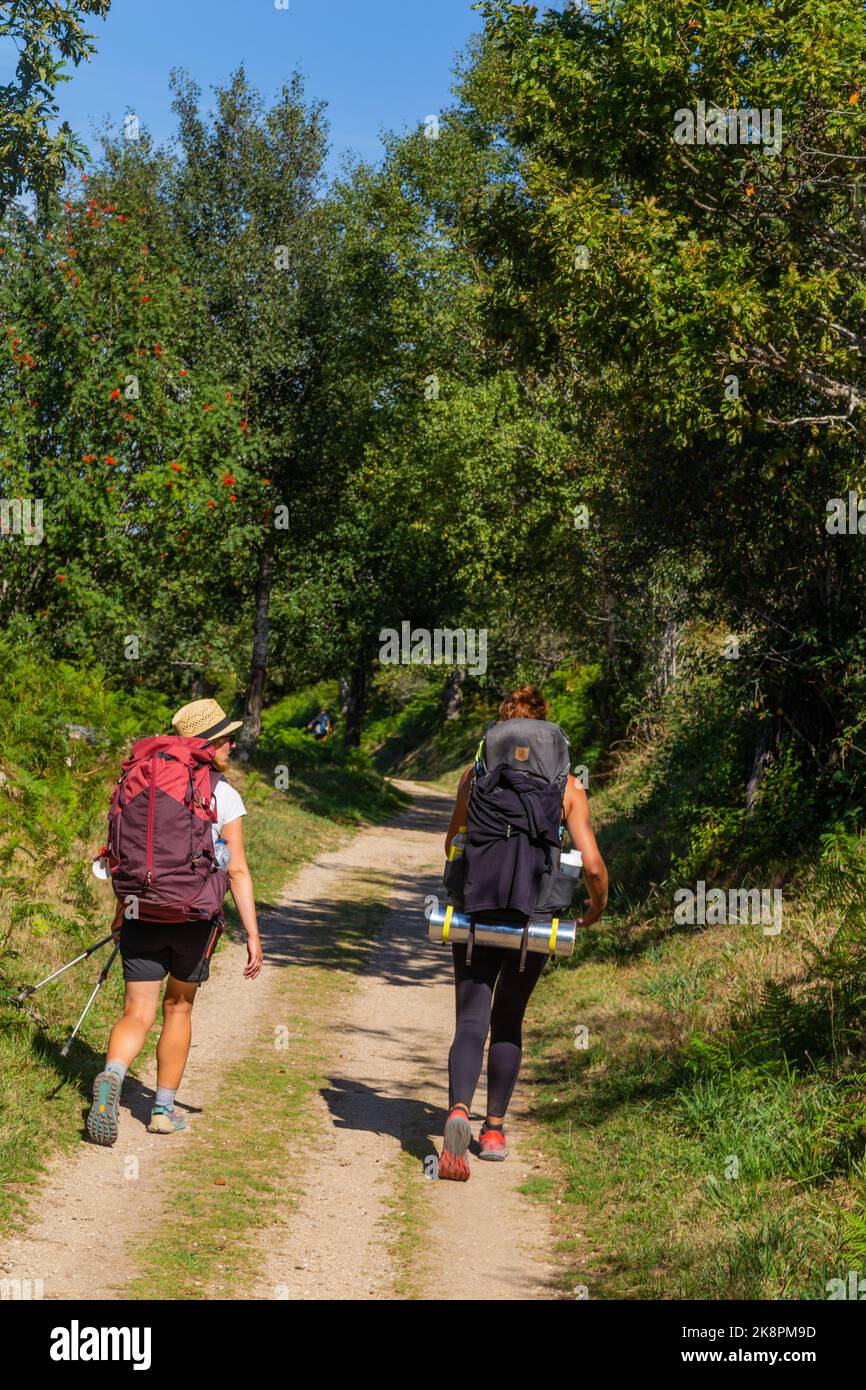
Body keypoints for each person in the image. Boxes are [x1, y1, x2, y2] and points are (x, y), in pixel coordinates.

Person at [438, 685, 608, 1181]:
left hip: (476, 909)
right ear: (548, 729)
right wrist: (595, 909)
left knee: (470, 1022)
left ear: (502, 725)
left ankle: (455, 1113)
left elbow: (453, 843)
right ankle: (492, 1131)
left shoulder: (476, 776)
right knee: (508, 1019)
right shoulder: (568, 787)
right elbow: (592, 865)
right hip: (533, 915)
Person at [86, 699, 264, 1145]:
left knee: (137, 1011)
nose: (231, 744)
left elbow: (129, 855)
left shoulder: (142, 778)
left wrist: (120, 912)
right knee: (178, 1008)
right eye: (225, 738)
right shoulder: (222, 793)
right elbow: (238, 869)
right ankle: (162, 1111)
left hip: (140, 909)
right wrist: (253, 937)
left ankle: (112, 1075)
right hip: (193, 914)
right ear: (206, 743)